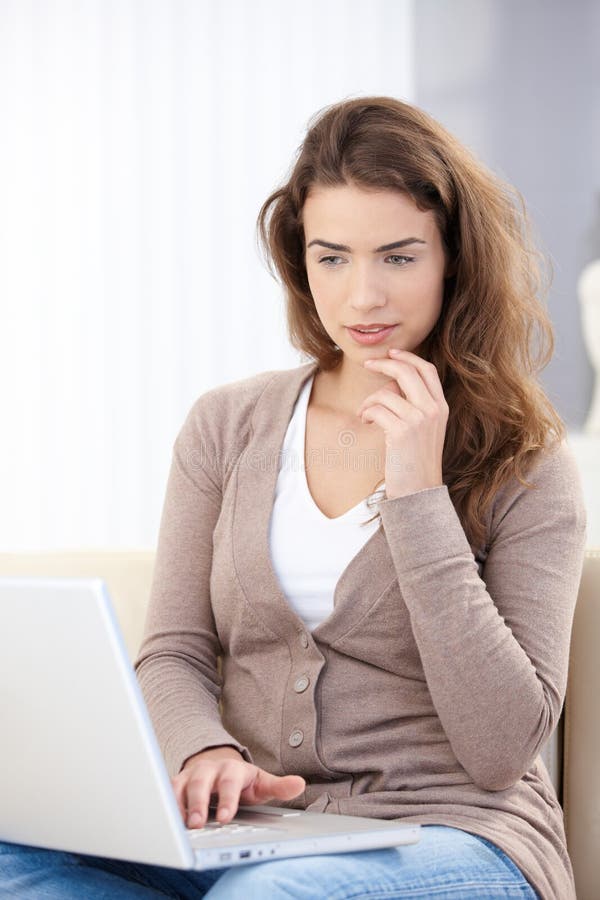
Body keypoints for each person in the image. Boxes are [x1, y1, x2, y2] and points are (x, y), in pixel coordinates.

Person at [0, 95, 586, 899]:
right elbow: (173, 649)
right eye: (332, 257)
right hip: (264, 835)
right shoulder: (228, 426)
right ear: (298, 260)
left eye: (400, 257)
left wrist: (417, 491)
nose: (362, 298)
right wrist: (205, 751)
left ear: (454, 260)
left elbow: (501, 746)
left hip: (458, 832)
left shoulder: (527, 460)